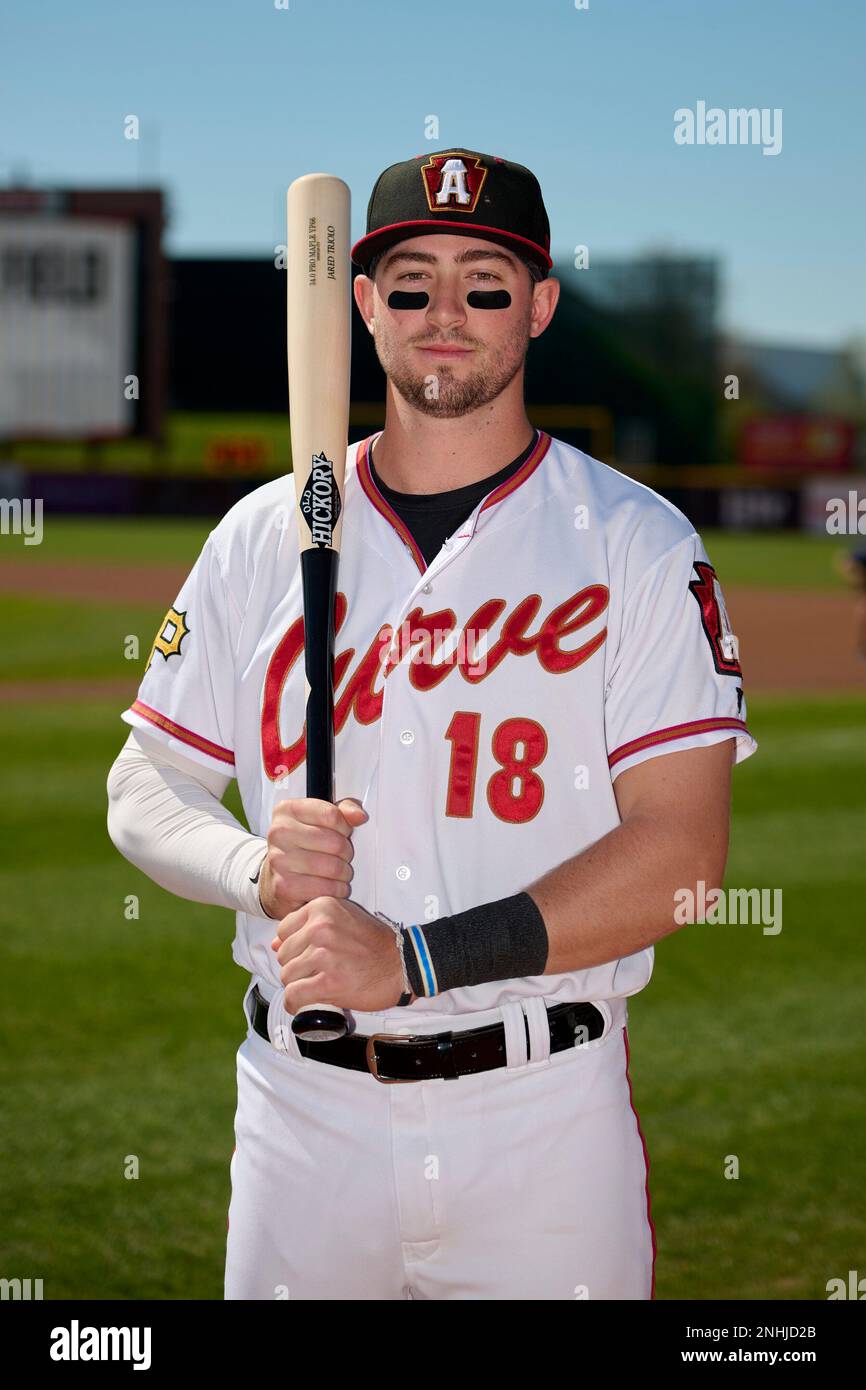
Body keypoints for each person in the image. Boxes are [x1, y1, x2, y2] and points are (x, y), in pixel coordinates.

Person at [107, 148, 756, 1300]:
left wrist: (411, 959)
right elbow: (142, 784)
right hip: (302, 1114)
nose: (443, 314)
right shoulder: (262, 536)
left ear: (540, 306)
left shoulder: (633, 540)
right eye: (410, 282)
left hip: (540, 1120)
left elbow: (683, 861)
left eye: (485, 283)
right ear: (361, 303)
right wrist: (255, 868)